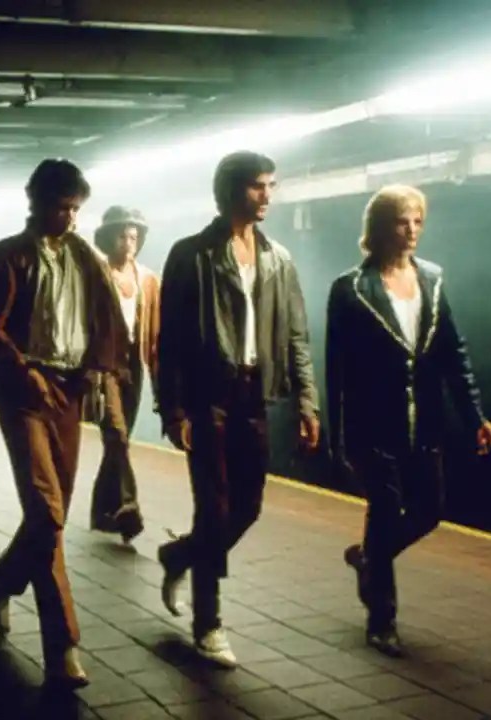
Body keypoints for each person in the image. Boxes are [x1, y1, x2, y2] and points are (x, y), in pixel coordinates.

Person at [155, 151, 321, 667]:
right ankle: (209, 624)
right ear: (229, 190)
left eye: (271, 184)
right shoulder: (192, 255)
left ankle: (181, 554)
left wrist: (307, 401)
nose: (267, 194)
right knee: (215, 506)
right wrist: (173, 410)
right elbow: (172, 340)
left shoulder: (278, 259)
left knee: (248, 506)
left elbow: (295, 334)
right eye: (256, 186)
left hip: (255, 395)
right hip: (208, 398)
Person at [0, 158, 130, 689]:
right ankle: (62, 647)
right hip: (23, 391)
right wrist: (24, 370)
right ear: (35, 203)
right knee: (48, 511)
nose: (71, 219)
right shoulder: (4, 257)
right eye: (63, 208)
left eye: (76, 209)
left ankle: (1, 577)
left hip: (70, 391)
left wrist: (96, 381)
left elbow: (104, 323)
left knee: (48, 516)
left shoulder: (85, 257)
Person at [325, 184, 491, 657]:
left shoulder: (433, 280)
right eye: (403, 220)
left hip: (425, 422)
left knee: (429, 510)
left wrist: (475, 415)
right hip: (373, 423)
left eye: (418, 220)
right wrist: (338, 437)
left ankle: (366, 559)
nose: (413, 230)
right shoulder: (350, 290)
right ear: (380, 225)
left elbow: (452, 352)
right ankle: (382, 619)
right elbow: (336, 367)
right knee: (383, 514)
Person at [86, 206, 160, 544]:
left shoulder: (147, 279)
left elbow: (155, 335)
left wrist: (160, 382)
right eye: (121, 235)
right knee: (115, 433)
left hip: (133, 366)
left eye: (134, 236)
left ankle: (102, 513)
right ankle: (129, 507)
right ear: (107, 238)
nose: (128, 242)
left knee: (119, 441)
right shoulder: (96, 275)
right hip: (105, 366)